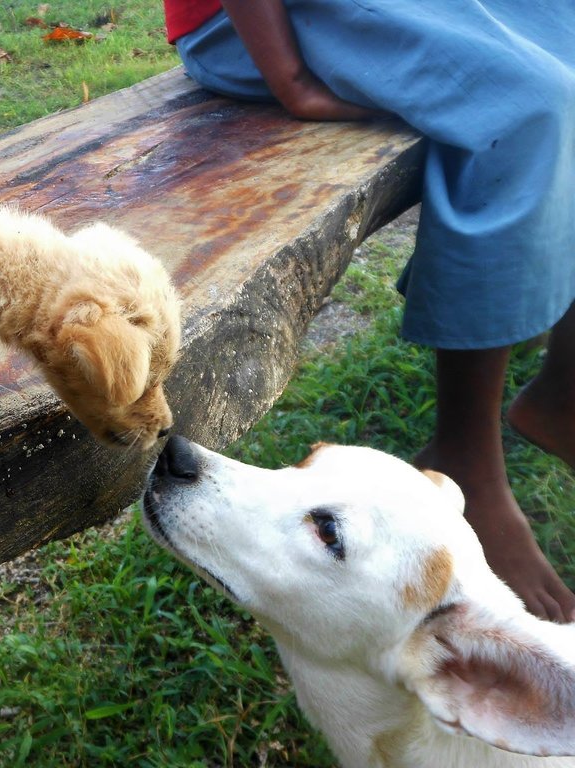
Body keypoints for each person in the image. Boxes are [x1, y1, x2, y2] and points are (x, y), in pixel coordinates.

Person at [163, 0, 575, 621]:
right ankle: (466, 456)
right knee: (531, 105)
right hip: (255, 22)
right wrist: (290, 79)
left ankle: (564, 394)